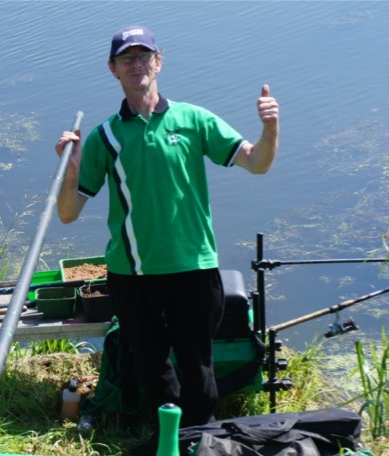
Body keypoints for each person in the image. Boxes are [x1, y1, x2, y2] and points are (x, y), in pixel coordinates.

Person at [55, 25, 279, 433]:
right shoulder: (106, 136)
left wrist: (270, 129)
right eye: (127, 58)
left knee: (197, 364)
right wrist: (70, 169)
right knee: (151, 364)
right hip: (132, 274)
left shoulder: (193, 119)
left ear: (159, 62)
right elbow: (68, 213)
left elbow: (257, 162)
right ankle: (167, 442)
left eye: (144, 56)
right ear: (114, 69)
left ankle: (200, 441)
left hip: (192, 266)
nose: (136, 64)